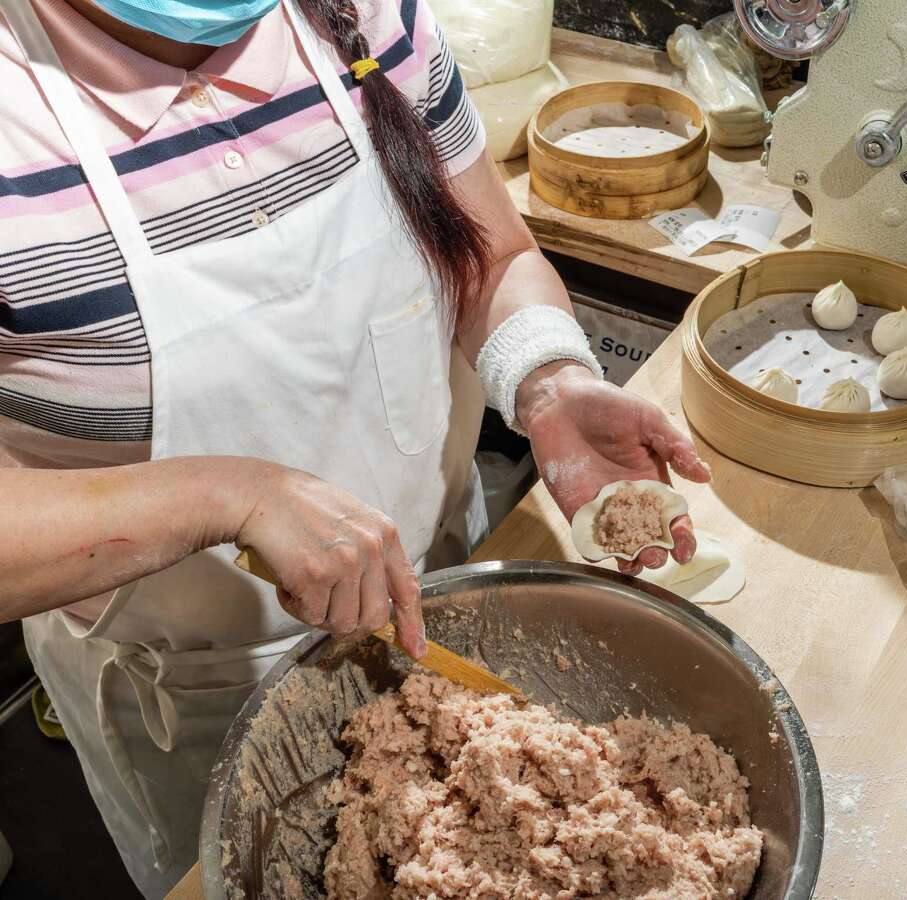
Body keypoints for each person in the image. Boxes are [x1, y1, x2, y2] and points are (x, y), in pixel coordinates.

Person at [0, 0, 710, 893]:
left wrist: (547, 380)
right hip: (201, 692)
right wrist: (234, 495)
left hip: (447, 589)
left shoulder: (365, 17)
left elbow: (488, 258)